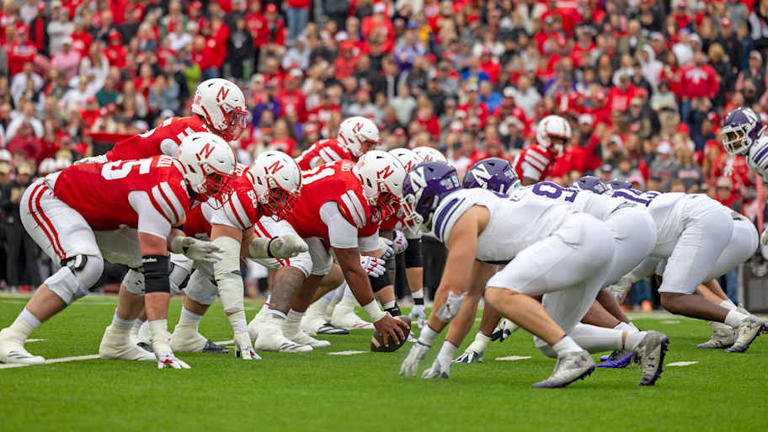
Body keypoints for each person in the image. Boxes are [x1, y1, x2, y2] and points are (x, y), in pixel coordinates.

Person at [398, 161, 668, 387]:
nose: (411, 209)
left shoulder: (455, 208)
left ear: (428, 195)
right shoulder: (483, 207)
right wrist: (444, 357)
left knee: (498, 291)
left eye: (412, 199)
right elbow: (469, 296)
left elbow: (451, 289)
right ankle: (639, 340)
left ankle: (573, 355)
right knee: (549, 339)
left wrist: (425, 341)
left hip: (579, 236)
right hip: (594, 237)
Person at [0, 132, 236, 368]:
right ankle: (10, 337)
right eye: (215, 177)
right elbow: (156, 268)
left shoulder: (178, 181)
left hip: (95, 214)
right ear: (195, 168)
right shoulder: (168, 187)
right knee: (88, 266)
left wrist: (184, 245)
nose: (219, 185)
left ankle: (118, 340)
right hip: (54, 198)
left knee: (157, 265)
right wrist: (161, 343)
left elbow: (159, 229)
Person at [129, 152, 307, 358]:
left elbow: (244, 244)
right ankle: (136, 333)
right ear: (262, 181)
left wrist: (273, 247)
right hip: (173, 227)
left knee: (213, 266)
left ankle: (186, 333)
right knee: (175, 271)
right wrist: (242, 335)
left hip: (198, 232)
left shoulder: (251, 194)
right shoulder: (242, 195)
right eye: (279, 193)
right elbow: (229, 272)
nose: (282, 201)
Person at [248, 151, 411, 351]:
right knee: (299, 261)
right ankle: (269, 330)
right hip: (276, 211)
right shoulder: (349, 198)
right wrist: (378, 318)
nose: (390, 205)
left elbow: (373, 266)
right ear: (369, 183)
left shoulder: (368, 199)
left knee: (320, 265)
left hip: (302, 219)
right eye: (387, 196)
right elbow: (351, 268)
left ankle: (290, 327)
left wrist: (391, 313)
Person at [77, 78, 247, 164]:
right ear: (213, 109)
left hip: (118, 170)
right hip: (109, 171)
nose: (234, 123)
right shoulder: (196, 133)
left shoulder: (193, 126)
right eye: (231, 115)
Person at [295, 116, 379, 170]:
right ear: (352, 139)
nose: (371, 150)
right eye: (368, 145)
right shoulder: (336, 149)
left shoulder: (348, 153)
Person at [512, 114, 571, 185]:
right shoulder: (538, 152)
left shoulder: (548, 154)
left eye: (562, 140)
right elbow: (528, 186)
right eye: (555, 138)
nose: (559, 143)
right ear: (543, 135)